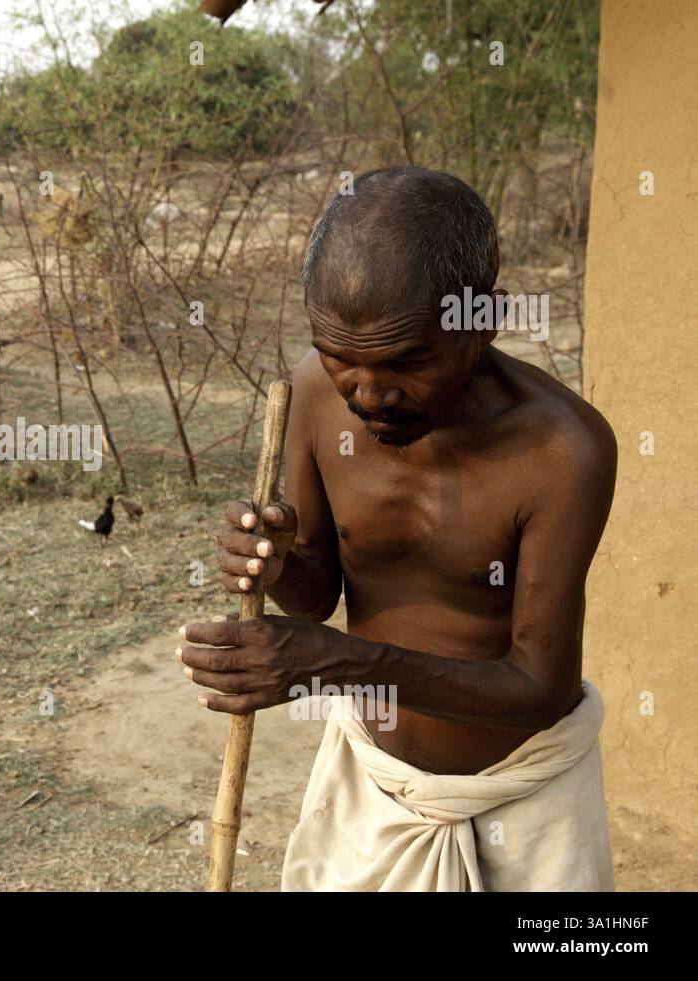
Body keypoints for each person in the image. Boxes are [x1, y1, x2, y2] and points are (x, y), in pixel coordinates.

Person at [179, 167, 616, 891]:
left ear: (482, 321)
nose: (369, 393)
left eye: (407, 361)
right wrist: (279, 560)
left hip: (526, 804)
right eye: (341, 356)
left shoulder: (563, 450)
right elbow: (316, 594)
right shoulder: (314, 395)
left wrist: (333, 664)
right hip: (374, 790)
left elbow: (537, 684)